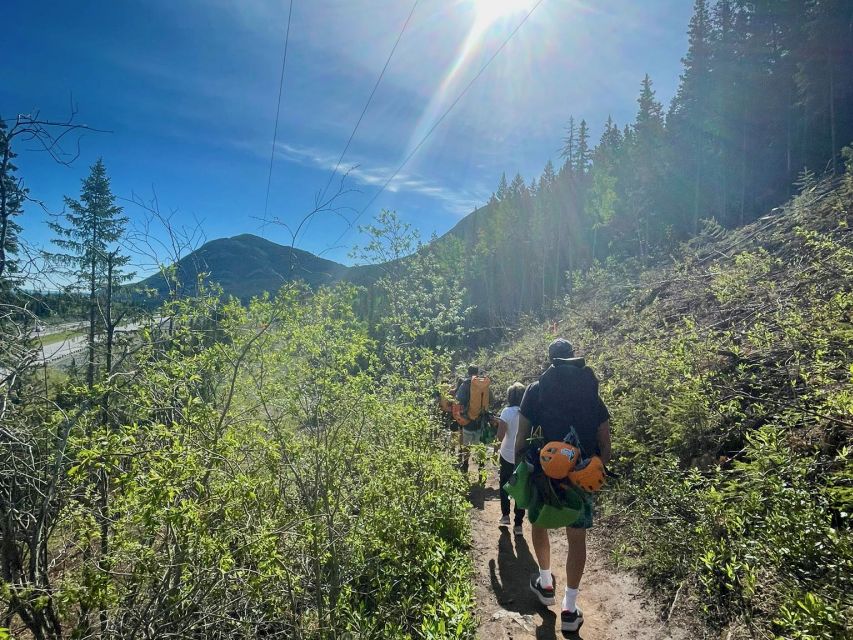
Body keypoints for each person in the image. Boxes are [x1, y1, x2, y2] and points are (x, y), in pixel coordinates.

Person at [514, 338, 611, 634]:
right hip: (581, 474)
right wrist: (597, 470)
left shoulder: (536, 389)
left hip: (546, 472)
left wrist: (523, 466)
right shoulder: (589, 388)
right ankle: (570, 608)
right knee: (577, 537)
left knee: (540, 524)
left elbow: (521, 438)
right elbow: (604, 437)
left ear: (550, 360)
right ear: (573, 358)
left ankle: (545, 584)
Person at [496, 382, 528, 535]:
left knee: (504, 484)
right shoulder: (528, 412)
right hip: (522, 456)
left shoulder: (506, 412)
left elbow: (500, 435)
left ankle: (505, 515)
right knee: (521, 488)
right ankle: (518, 525)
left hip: (507, 454)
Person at [455, 365, 481, 473]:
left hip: (468, 420)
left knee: (466, 445)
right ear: (477, 372)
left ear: (468, 372)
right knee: (480, 445)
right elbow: (491, 400)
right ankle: (481, 467)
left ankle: (465, 466)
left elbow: (458, 400)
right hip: (481, 421)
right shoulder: (483, 383)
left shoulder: (465, 384)